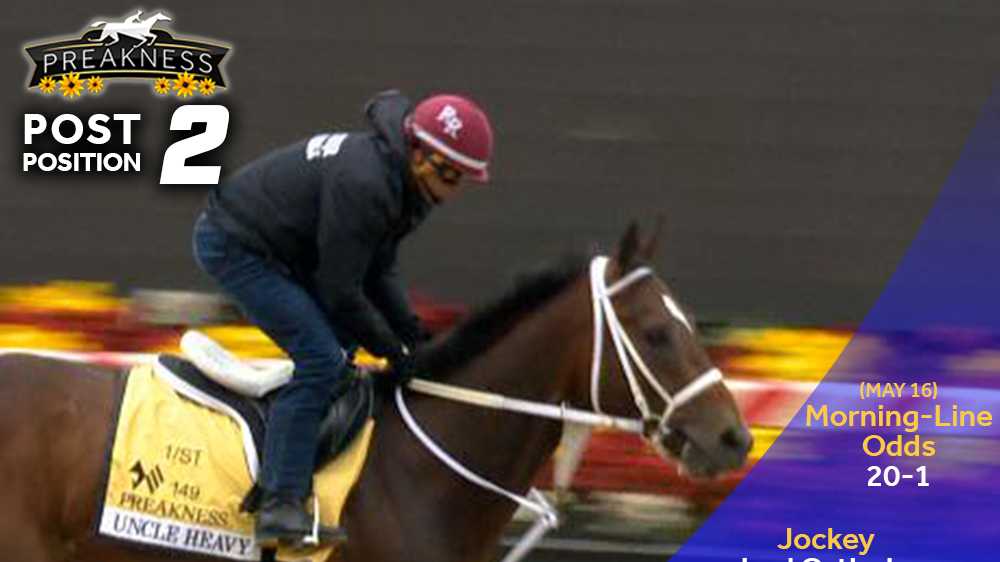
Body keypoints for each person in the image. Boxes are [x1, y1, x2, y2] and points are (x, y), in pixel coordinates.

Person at [191, 90, 494, 547]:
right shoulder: (368, 184)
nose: (458, 193)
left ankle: (305, 470)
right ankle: (279, 504)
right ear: (430, 161)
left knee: (342, 351)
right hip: (237, 247)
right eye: (459, 180)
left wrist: (411, 334)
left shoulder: (400, 176)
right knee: (323, 361)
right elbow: (341, 291)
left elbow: (379, 266)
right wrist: (393, 351)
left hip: (282, 248)